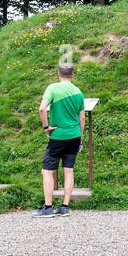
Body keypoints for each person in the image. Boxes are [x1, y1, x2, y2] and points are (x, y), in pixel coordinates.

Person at [33, 63, 85, 218]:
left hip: (58, 136)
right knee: (69, 171)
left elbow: (42, 109)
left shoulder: (53, 88)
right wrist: (80, 137)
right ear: (72, 75)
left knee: (47, 171)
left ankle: (48, 208)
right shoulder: (78, 92)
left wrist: (46, 127)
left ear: (58, 74)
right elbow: (82, 117)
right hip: (74, 136)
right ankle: (64, 207)